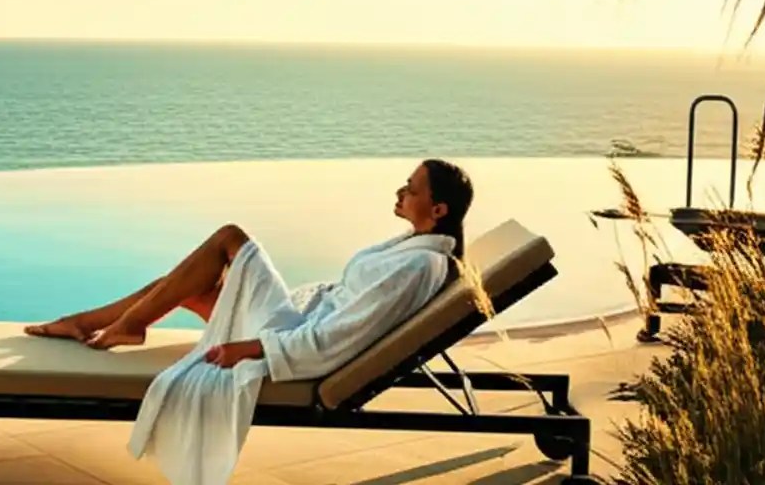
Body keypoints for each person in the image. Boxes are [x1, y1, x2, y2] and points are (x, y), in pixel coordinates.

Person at [25, 159, 474, 484]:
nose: (400, 193)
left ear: (438, 211)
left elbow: (342, 336)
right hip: (298, 318)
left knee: (228, 239)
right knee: (188, 285)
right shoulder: (418, 251)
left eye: (412, 189)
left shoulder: (418, 267)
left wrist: (253, 347)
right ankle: (94, 323)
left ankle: (105, 323)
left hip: (289, 335)